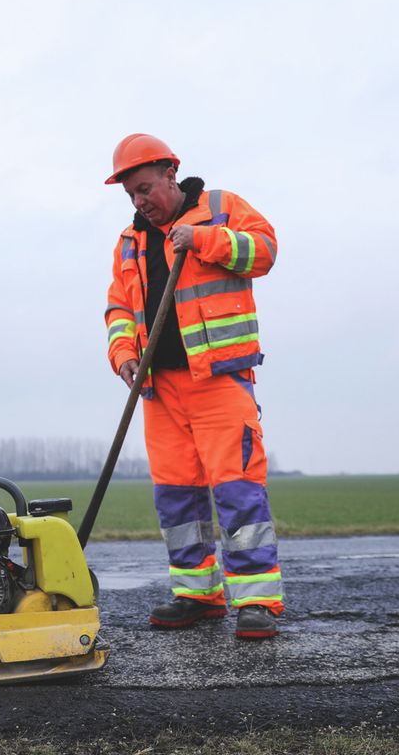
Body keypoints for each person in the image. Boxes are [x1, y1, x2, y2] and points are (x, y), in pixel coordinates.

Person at [102, 133, 284, 638]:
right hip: (160, 392)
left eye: (145, 188)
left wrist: (203, 239)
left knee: (238, 494)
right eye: (131, 195)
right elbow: (118, 309)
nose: (140, 201)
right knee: (177, 501)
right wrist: (124, 357)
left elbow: (265, 252)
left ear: (170, 174)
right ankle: (198, 595)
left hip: (220, 383)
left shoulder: (221, 209)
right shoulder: (129, 242)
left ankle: (256, 602)